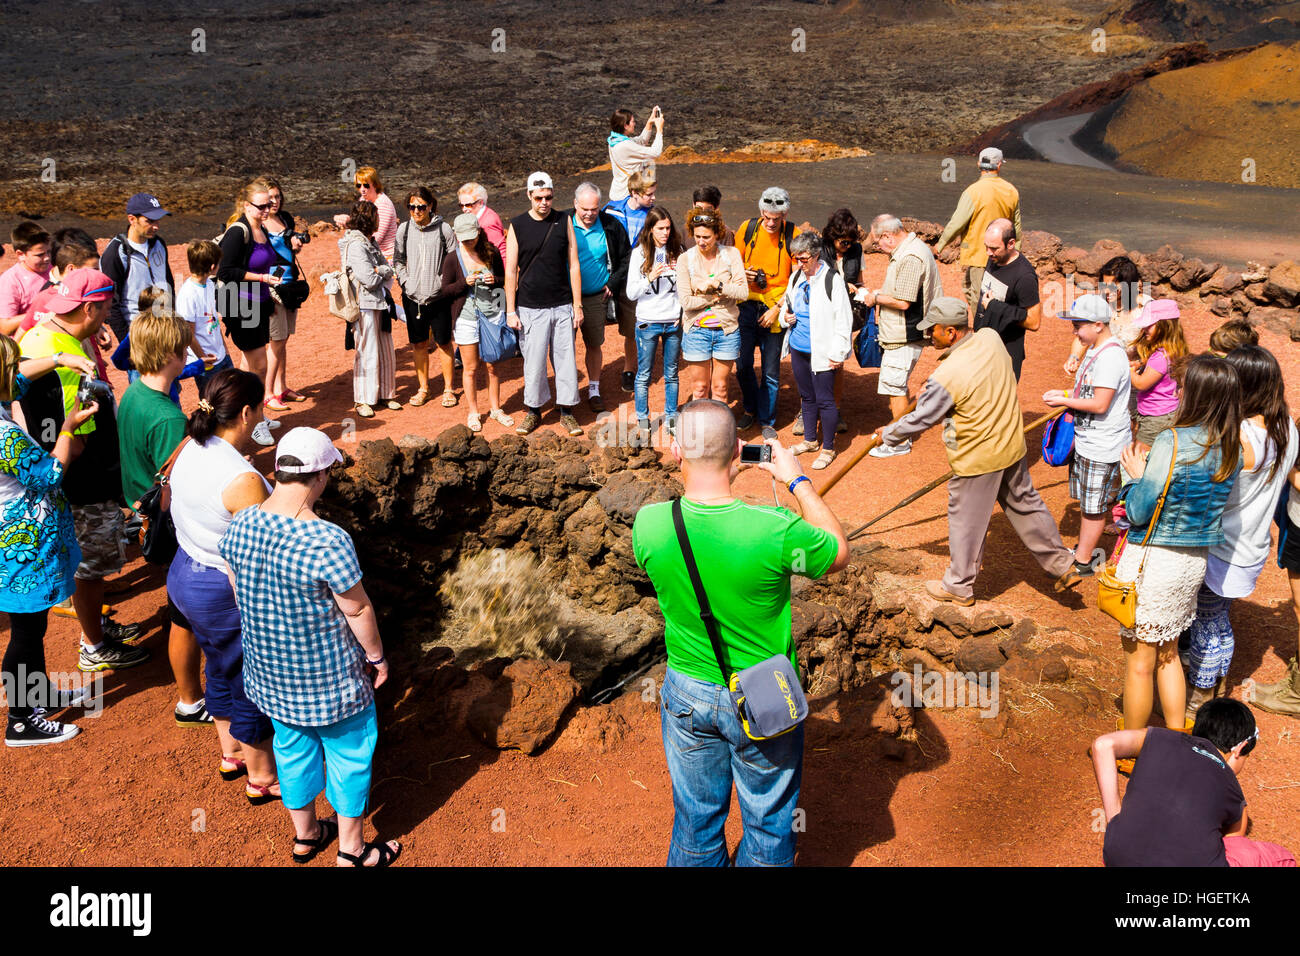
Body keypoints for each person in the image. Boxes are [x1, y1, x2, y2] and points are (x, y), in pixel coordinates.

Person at [632, 399, 849, 865]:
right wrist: (796, 481)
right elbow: (837, 552)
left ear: (676, 451)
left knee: (695, 821)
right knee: (770, 822)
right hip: (764, 693)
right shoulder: (776, 530)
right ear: (739, 452)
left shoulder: (649, 524)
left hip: (687, 690)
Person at [221, 427, 401, 867]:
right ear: (320, 476)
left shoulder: (242, 521)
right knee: (350, 754)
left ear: (278, 470)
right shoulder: (327, 539)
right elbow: (357, 611)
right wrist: (376, 658)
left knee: (292, 750)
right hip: (330, 681)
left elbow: (234, 580)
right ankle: (353, 851)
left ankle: (306, 836)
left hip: (269, 676)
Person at [875, 297, 1082, 605]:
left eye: (933, 330)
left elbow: (922, 418)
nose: (929, 335)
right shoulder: (989, 337)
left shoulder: (948, 375)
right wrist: (929, 393)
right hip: (1010, 444)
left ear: (950, 332)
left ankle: (958, 585)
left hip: (978, 458)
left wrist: (887, 434)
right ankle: (1062, 563)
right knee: (1026, 505)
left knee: (965, 521)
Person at [18, 269, 150, 671]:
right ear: (91, 307)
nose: (110, 312)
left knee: (87, 564)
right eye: (107, 305)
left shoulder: (46, 338)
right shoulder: (64, 360)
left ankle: (95, 628)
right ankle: (93, 645)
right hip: (82, 484)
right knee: (90, 568)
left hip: (71, 481)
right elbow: (74, 439)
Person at [1113, 355, 1243, 738]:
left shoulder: (1172, 440)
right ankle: (1176, 738)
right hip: (1193, 562)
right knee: (1168, 654)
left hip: (1156, 560)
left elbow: (1138, 511)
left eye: (1184, 386)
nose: (1177, 391)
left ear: (1198, 395)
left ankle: (1133, 750)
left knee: (1139, 661)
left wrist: (1134, 477)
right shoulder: (1230, 445)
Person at [168, 368, 278, 800]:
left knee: (217, 663)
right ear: (247, 413)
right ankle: (262, 777)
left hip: (184, 574)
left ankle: (230, 752)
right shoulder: (243, 480)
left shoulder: (190, 446)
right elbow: (267, 550)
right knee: (250, 677)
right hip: (222, 589)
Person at [1184, 346, 1297, 717]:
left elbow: (1213, 491)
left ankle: (1201, 693)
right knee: (1218, 617)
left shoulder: (1239, 435)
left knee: (1207, 620)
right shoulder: (1287, 429)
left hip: (1221, 546)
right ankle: (1213, 685)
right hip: (1253, 545)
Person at [1, 334, 99, 746]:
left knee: (33, 625)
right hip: (22, 549)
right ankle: (21, 720)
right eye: (12, 364)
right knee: (25, 630)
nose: (19, 369)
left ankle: (34, 693)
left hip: (20, 543)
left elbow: (20, 376)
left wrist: (61, 358)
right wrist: (67, 429)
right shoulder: (3, 435)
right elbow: (47, 475)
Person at [117, 310, 212, 729]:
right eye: (183, 348)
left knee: (178, 607)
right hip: (171, 526)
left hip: (141, 509)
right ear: (172, 353)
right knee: (185, 616)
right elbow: (180, 489)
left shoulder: (134, 394)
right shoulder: (168, 417)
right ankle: (190, 701)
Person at [1092, 698, 1295, 867]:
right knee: (1282, 857)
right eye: (1246, 756)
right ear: (1239, 748)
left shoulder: (1159, 738)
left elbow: (1103, 745)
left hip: (1117, 857)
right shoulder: (1231, 786)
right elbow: (1235, 839)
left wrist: (1114, 821)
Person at [1044, 294, 1132, 576]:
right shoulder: (1096, 349)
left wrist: (1064, 402)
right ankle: (1084, 553)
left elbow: (1100, 404)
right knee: (1090, 502)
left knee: (1094, 507)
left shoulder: (1110, 357)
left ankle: (1083, 561)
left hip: (1102, 443)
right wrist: (1067, 394)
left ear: (1097, 324)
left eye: (1078, 325)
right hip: (1090, 439)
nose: (1074, 331)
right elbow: (1091, 393)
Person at [504, 172, 584, 437]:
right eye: (539, 198)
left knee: (565, 360)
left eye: (548, 197)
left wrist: (577, 305)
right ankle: (534, 410)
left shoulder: (564, 220)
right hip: (530, 307)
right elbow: (511, 271)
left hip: (561, 304)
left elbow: (573, 264)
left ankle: (567, 411)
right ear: (529, 195)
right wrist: (510, 310)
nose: (544, 202)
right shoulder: (517, 225)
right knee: (534, 362)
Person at [862, 215, 942, 458]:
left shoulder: (909, 256)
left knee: (895, 386)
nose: (878, 247)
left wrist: (874, 297)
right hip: (905, 332)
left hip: (905, 334)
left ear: (888, 236)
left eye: (878, 242)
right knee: (896, 384)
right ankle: (899, 433)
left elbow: (904, 302)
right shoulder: (912, 249)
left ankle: (899, 441)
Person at [778, 233, 852, 471]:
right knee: (807, 397)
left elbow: (843, 318)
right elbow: (787, 305)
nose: (800, 263)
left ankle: (828, 448)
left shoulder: (832, 279)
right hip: (799, 348)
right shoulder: (796, 277)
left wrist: (838, 353)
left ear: (816, 254)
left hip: (822, 350)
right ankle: (810, 441)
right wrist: (785, 318)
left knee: (825, 400)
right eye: (796, 258)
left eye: (804, 258)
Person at [216, 178, 281, 446]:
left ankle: (252, 415)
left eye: (270, 204)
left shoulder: (260, 228)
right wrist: (263, 279)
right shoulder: (237, 231)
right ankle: (255, 421)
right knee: (260, 366)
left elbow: (268, 259)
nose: (267, 210)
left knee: (249, 364)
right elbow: (226, 270)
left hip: (258, 303)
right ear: (246, 205)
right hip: (241, 305)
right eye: (262, 206)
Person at [734, 187, 799, 431]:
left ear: (785, 214)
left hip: (775, 308)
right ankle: (751, 407)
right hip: (746, 306)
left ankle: (767, 420)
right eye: (767, 216)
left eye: (777, 218)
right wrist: (744, 274)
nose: (771, 222)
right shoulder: (747, 229)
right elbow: (733, 264)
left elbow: (796, 280)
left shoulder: (794, 234)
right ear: (761, 210)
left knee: (771, 373)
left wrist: (777, 309)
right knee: (742, 365)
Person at [567, 182, 632, 413]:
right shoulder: (562, 223)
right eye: (584, 209)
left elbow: (626, 256)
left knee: (594, 343)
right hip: (566, 297)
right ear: (575, 204)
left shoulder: (610, 225)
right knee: (565, 346)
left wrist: (613, 282)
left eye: (594, 209)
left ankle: (593, 389)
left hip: (596, 297)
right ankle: (567, 393)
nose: (589, 214)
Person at [394, 187, 461, 408]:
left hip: (439, 298)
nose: (416, 211)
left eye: (421, 206)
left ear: (430, 206)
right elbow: (398, 260)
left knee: (443, 343)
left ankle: (449, 389)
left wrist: (441, 284)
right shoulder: (403, 230)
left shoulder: (444, 229)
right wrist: (406, 282)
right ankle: (423, 388)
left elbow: (453, 261)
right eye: (412, 207)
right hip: (413, 298)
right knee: (419, 344)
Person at [935, 147, 1021, 313]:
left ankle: (983, 329)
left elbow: (957, 222)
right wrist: (1015, 253)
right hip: (1003, 253)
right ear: (999, 166)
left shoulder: (972, 191)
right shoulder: (1011, 190)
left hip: (979, 255)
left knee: (978, 295)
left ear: (978, 164)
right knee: (972, 286)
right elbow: (1016, 226)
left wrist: (941, 243)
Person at [675, 207, 747, 407]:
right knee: (699, 389)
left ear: (717, 234)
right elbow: (687, 302)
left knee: (721, 389)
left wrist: (718, 286)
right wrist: (716, 299)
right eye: (697, 236)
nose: (701, 241)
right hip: (697, 331)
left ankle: (719, 436)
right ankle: (701, 435)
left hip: (727, 331)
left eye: (706, 236)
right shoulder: (685, 259)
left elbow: (743, 292)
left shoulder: (731, 255)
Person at [448, 214, 512, 432]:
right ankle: (473, 412)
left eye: (471, 238)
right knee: (470, 368)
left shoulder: (491, 252)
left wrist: (495, 281)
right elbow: (443, 290)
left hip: (492, 314)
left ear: (478, 233)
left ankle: (496, 409)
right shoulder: (452, 258)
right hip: (466, 319)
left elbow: (505, 281)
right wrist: (462, 284)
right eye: (464, 239)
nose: (468, 242)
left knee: (493, 365)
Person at [339, 200, 401, 420]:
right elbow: (369, 278)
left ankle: (385, 393)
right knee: (366, 350)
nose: (380, 221)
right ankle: (363, 399)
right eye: (376, 216)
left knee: (384, 348)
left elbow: (386, 268)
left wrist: (381, 269)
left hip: (378, 302)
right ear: (369, 219)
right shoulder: (356, 245)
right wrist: (382, 271)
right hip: (364, 304)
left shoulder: (370, 242)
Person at [625, 206, 683, 435]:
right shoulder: (639, 254)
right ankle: (643, 418)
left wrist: (679, 313)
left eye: (668, 228)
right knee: (645, 374)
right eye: (660, 228)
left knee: (672, 373)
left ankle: (670, 418)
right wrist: (650, 277)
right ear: (650, 230)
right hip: (648, 321)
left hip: (672, 322)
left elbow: (682, 289)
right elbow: (631, 293)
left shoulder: (677, 252)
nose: (665, 233)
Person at [812, 208, 865, 438]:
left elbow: (860, 282)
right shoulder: (819, 250)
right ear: (832, 236)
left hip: (843, 314)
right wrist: (844, 285)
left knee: (838, 364)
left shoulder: (857, 250)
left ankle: (835, 409)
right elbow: (812, 280)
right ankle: (809, 411)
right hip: (820, 312)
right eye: (843, 241)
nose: (848, 245)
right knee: (814, 362)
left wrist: (860, 291)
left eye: (851, 242)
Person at [605, 170, 659, 392]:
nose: (653, 198)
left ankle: (630, 369)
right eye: (649, 194)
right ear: (634, 193)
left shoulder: (652, 215)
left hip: (638, 277)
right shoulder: (611, 210)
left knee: (633, 327)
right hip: (613, 276)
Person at [99, 193, 175, 350]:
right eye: (150, 221)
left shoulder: (159, 244)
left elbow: (168, 283)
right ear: (132, 219)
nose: (156, 226)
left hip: (164, 332)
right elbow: (111, 303)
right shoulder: (115, 253)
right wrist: (129, 344)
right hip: (139, 339)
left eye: (158, 220)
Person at [261, 178, 310, 408]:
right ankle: (267, 393)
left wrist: (295, 245)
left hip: (290, 284)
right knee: (275, 341)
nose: (275, 202)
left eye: (278, 196)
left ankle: (281, 387)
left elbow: (286, 250)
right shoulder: (259, 224)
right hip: (272, 288)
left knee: (283, 340)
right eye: (270, 197)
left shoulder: (285, 218)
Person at [972, 218, 1041, 380]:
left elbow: (1034, 322)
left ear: (1011, 244)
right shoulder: (995, 259)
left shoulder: (1024, 277)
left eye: (994, 248)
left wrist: (995, 306)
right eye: (986, 247)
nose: (988, 253)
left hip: (1005, 355)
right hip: (983, 347)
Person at [1065, 255, 1147, 372]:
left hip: (1134, 378)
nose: (1107, 291)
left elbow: (1162, 348)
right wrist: (1074, 357)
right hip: (1101, 372)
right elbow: (1082, 335)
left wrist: (1139, 363)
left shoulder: (1145, 308)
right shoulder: (1099, 303)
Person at [1128, 299, 1187, 449]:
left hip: (1155, 416)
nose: (1145, 328)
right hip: (1166, 410)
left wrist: (1130, 371)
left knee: (1141, 454)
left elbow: (1141, 384)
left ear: (1165, 326)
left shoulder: (1160, 357)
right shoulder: (1173, 350)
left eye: (1150, 325)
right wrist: (1141, 364)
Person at [176, 240, 233, 396]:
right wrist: (203, 359)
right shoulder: (188, 294)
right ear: (212, 267)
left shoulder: (208, 283)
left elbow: (212, 318)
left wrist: (225, 350)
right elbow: (188, 334)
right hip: (206, 363)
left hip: (221, 355)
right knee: (211, 403)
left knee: (232, 397)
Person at [0, 222, 52, 336]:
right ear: (20, 254)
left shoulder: (56, 269)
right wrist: (40, 313)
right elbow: (5, 327)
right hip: (27, 346)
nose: (47, 258)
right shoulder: (10, 281)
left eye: (49, 252)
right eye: (40, 255)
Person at [608, 106, 664, 203]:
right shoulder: (625, 145)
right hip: (626, 195)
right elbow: (656, 152)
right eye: (633, 122)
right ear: (625, 125)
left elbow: (641, 140)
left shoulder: (614, 140)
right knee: (648, 162)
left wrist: (649, 122)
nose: (634, 124)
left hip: (617, 192)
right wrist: (659, 130)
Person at [456, 182, 507, 260]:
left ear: (480, 202)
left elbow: (500, 251)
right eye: (461, 205)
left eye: (468, 205)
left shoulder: (489, 222)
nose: (464, 209)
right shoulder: (477, 218)